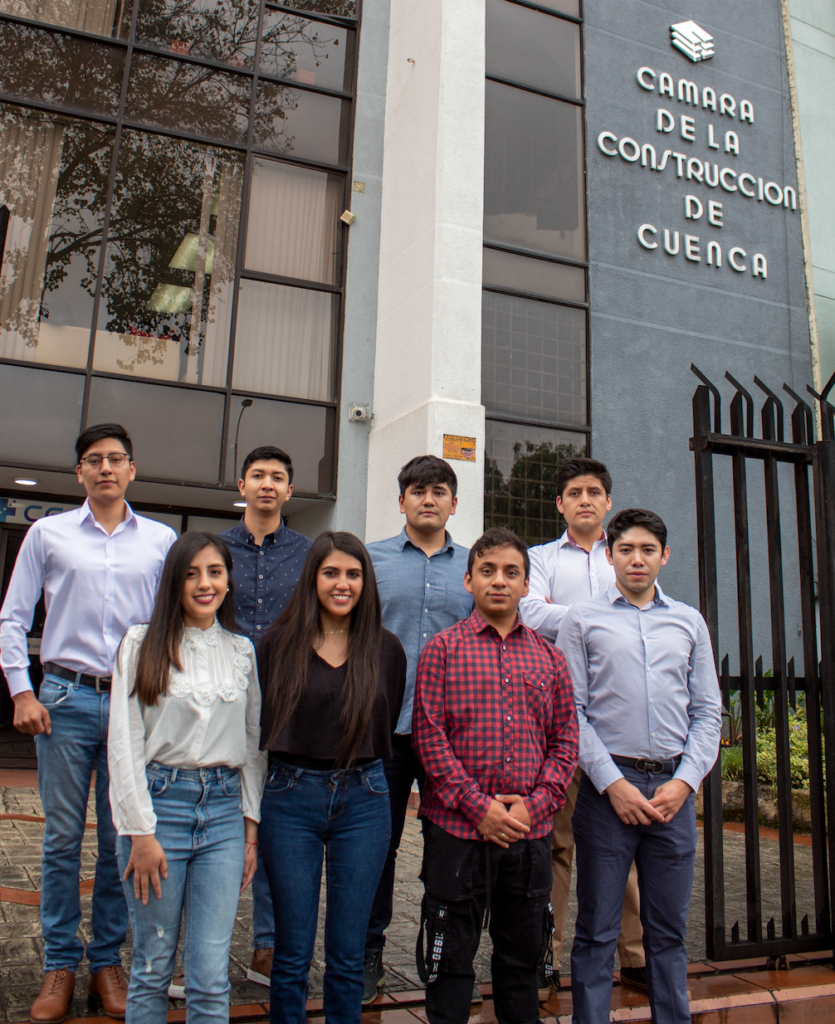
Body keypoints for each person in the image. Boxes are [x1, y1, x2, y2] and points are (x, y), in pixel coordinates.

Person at [0, 424, 176, 1024]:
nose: (105, 468)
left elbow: (171, 627)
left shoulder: (160, 541)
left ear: (132, 469)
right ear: (79, 473)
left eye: (116, 459)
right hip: (65, 698)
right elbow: (13, 617)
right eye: (93, 460)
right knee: (61, 838)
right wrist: (22, 691)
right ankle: (59, 964)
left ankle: (106, 960)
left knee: (120, 837)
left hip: (134, 703)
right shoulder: (47, 535)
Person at [556, 509, 721, 1024]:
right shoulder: (582, 619)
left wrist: (685, 781)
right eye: (626, 549)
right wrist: (614, 784)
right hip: (609, 796)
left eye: (648, 550)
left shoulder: (689, 621)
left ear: (664, 556)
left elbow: (708, 712)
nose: (637, 559)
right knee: (598, 930)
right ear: (610, 555)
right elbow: (571, 714)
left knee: (668, 933)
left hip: (673, 790)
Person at [412, 527, 578, 1024]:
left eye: (511, 572)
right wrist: (478, 807)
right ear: (468, 580)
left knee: (520, 961)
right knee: (451, 961)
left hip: (529, 835)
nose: (499, 582)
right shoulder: (442, 650)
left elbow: (566, 741)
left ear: (528, 585)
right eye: (487, 571)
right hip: (458, 832)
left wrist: (536, 805)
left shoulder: (550, 658)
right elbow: (429, 737)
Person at [108, 532, 266, 1024]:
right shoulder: (141, 642)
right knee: (153, 966)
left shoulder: (242, 650)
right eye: (193, 573)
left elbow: (253, 745)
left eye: (215, 572)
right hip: (159, 810)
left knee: (210, 973)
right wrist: (140, 831)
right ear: (174, 581)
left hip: (222, 815)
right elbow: (124, 741)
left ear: (228, 580)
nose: (205, 584)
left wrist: (250, 827)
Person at [258, 532, 406, 1024]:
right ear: (312, 579)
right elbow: (258, 726)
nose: (342, 584)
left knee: (347, 956)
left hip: (365, 799)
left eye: (353, 574)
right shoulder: (277, 644)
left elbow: (383, 729)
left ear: (366, 582)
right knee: (292, 953)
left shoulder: (386, 649)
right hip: (289, 798)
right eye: (331, 573)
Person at [519, 457, 646, 993]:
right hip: (558, 715)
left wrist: (566, 614)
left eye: (594, 491)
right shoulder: (540, 558)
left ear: (608, 502)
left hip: (617, 719)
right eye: (575, 492)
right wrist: (599, 617)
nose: (585, 499)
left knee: (622, 841)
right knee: (558, 843)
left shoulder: (626, 556)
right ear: (560, 504)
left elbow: (641, 608)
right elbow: (528, 611)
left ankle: (636, 955)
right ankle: (546, 956)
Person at [197, 445, 311, 992]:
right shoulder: (214, 550)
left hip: (287, 702)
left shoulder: (309, 553)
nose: (268, 485)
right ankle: (201, 942)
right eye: (259, 476)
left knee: (273, 822)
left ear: (291, 492)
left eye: (278, 478)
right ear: (241, 485)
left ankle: (267, 944)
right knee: (214, 815)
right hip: (219, 699)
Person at [362, 455, 473, 1003]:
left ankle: (444, 955)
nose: (428, 499)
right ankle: (367, 953)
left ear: (455, 502)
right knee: (375, 847)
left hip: (454, 740)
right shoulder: (371, 561)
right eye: (417, 490)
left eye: (439, 491)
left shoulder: (477, 568)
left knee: (449, 849)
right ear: (400, 500)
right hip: (381, 731)